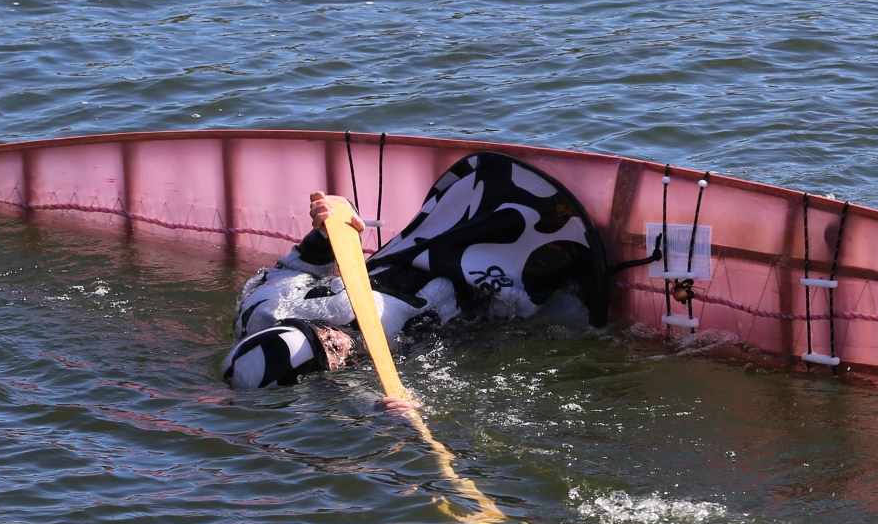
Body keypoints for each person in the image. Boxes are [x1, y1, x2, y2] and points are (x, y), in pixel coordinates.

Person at [221, 151, 610, 396]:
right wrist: (397, 413)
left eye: (319, 334)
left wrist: (326, 230)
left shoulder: (264, 310)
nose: (334, 340)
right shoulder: (353, 386)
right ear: (317, 377)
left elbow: (293, 267)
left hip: (411, 256)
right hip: (454, 311)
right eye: (328, 352)